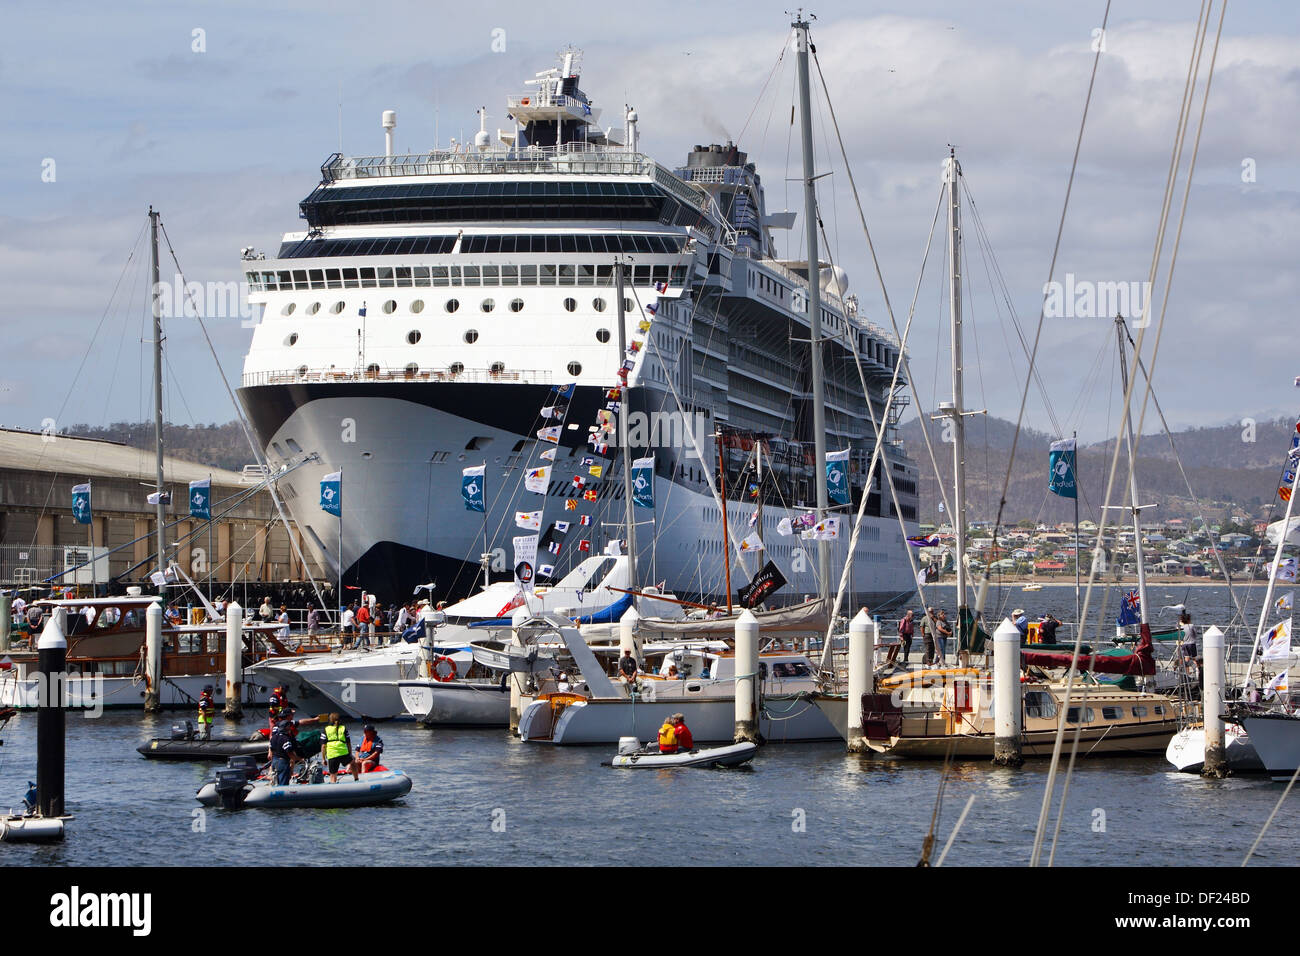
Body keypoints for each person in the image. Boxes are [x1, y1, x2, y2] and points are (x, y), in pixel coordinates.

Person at [323, 712, 356, 783]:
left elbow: (323, 746)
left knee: (333, 774)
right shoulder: (343, 728)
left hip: (332, 754)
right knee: (353, 762)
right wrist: (350, 754)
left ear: (330, 720)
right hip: (343, 752)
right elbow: (348, 743)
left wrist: (323, 759)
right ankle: (356, 779)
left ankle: (333, 786)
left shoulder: (326, 729)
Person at [268, 718, 298, 785]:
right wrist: (292, 767)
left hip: (274, 761)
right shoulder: (285, 739)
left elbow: (271, 749)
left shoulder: (273, 737)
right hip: (282, 762)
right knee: (283, 783)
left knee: (275, 782)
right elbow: (290, 753)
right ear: (287, 728)